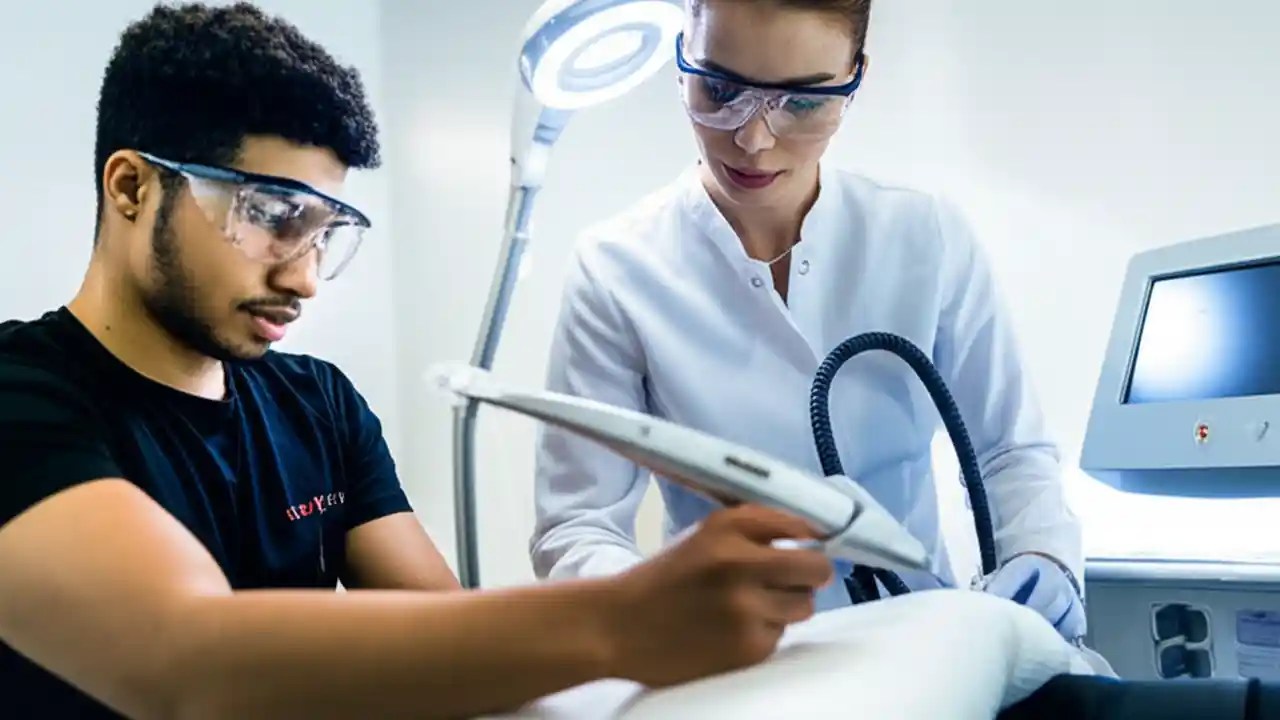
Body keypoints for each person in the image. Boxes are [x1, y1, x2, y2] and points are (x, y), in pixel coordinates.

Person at [0, 4, 837, 718]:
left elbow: (451, 647)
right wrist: (623, 619)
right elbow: (180, 660)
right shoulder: (24, 396)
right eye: (268, 214)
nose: (304, 278)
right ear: (132, 188)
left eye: (325, 233)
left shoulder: (317, 403)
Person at [531, 0, 1087, 642]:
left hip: (919, 643)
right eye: (719, 88)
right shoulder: (617, 267)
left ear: (856, 79)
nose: (754, 139)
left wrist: (1042, 557)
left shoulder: (922, 236)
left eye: (802, 103)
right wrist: (656, 613)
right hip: (723, 661)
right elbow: (580, 525)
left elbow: (1010, 452)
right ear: (680, 58)